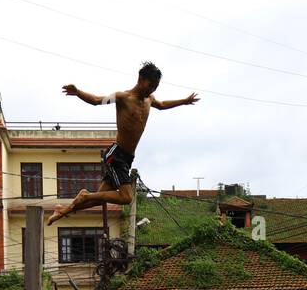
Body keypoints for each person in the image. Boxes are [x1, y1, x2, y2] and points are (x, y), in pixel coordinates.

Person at [47, 62, 199, 224]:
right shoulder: (123, 97)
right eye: (150, 85)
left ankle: (63, 211)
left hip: (127, 158)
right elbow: (97, 100)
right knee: (126, 197)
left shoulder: (149, 99)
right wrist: (78, 92)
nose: (152, 90)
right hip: (116, 155)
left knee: (99, 199)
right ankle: (85, 195)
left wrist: (184, 101)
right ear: (141, 79)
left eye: (155, 87)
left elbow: (161, 105)